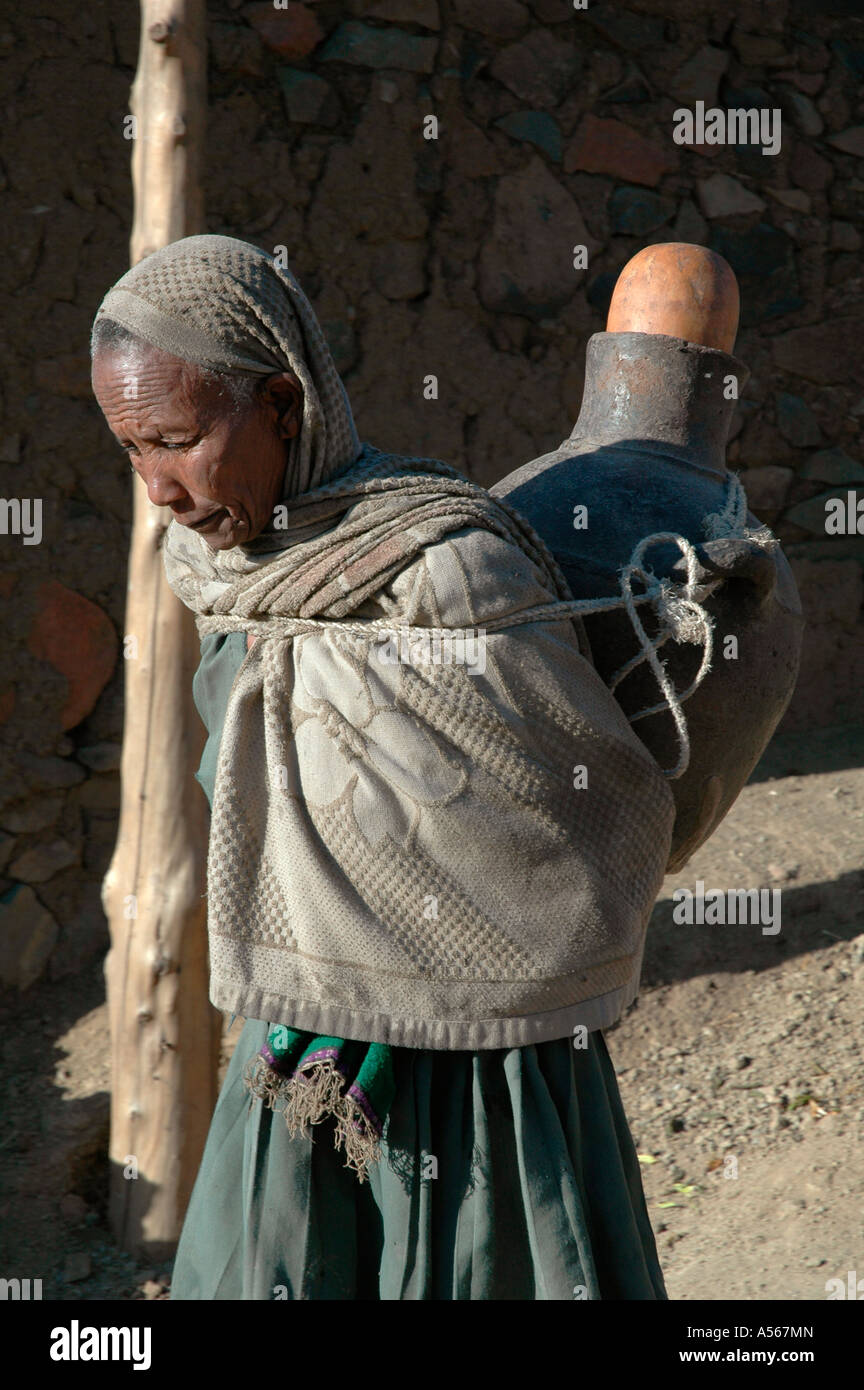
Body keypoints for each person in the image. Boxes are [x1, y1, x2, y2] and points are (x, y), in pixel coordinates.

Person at [90, 234, 674, 1301]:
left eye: (176, 439)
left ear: (281, 401)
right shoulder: (230, 569)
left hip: (483, 1067)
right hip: (296, 1045)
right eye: (132, 451)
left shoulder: (455, 570)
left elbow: (581, 801)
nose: (159, 489)